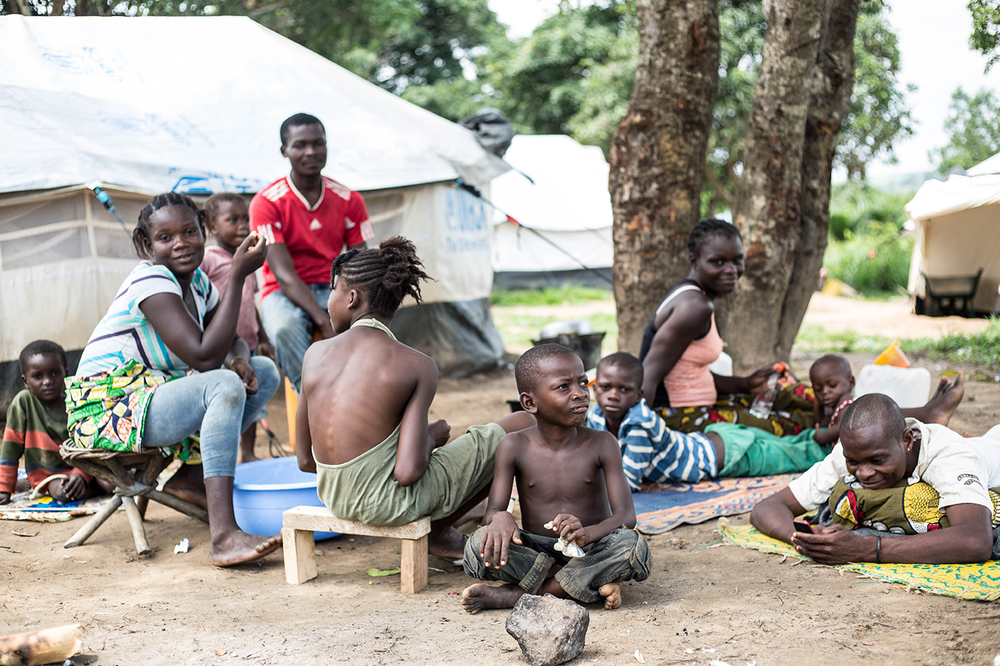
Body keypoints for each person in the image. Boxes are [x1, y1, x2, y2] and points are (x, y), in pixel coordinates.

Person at [65, 192, 281, 567]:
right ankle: (224, 536)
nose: (180, 243)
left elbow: (229, 340)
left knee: (264, 371)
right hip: (106, 409)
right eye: (166, 238)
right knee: (222, 383)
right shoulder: (151, 280)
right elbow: (203, 355)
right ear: (147, 246)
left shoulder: (197, 282)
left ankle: (190, 475)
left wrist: (241, 358)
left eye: (189, 232)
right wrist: (238, 274)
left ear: (203, 232)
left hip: (151, 398)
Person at [295, 236, 535, 559]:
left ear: (351, 298)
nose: (328, 301)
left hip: (333, 498)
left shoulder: (313, 355)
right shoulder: (416, 364)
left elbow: (305, 461)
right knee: (521, 422)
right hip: (392, 506)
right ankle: (440, 530)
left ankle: (446, 527)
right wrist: (432, 437)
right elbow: (408, 472)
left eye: (332, 290)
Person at [638, 219, 965, 436]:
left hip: (699, 405)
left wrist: (745, 383)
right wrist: (639, 436)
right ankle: (920, 415)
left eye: (736, 260)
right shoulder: (695, 306)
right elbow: (648, 377)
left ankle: (918, 413)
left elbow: (685, 373)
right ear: (694, 260)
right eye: (718, 262)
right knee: (799, 424)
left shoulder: (694, 298)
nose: (732, 270)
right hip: (680, 421)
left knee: (807, 397)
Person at [461, 344, 651, 613]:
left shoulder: (603, 443)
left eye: (583, 383)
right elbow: (492, 512)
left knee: (632, 546)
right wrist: (500, 517)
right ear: (530, 402)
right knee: (476, 545)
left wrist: (588, 533)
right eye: (564, 387)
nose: (580, 394)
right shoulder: (513, 446)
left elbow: (626, 516)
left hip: (590, 548)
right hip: (536, 552)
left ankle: (519, 596)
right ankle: (581, 584)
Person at [750, 393, 1000, 564]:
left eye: (877, 461)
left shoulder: (950, 457)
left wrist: (868, 548)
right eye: (853, 462)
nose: (864, 473)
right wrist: (804, 539)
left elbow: (975, 539)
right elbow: (768, 507)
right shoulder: (853, 450)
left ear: (907, 441)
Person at [249, 113, 374, 391]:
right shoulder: (266, 202)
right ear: (285, 151)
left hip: (334, 285)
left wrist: (351, 304)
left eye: (319, 143)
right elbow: (284, 275)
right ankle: (309, 395)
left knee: (374, 323)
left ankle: (366, 396)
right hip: (283, 290)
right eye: (300, 145)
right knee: (284, 327)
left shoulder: (348, 198)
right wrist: (325, 320)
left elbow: (359, 264)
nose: (311, 151)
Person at [587, 352, 830, 491]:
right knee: (790, 444)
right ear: (595, 388)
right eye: (606, 388)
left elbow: (629, 482)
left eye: (624, 389)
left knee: (797, 454)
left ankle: (834, 445)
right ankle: (822, 436)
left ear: (640, 395)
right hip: (712, 439)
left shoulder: (640, 425)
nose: (613, 395)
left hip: (725, 456)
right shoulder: (596, 416)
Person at [200, 193, 275, 463]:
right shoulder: (209, 259)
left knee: (252, 397)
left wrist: (263, 337)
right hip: (223, 347)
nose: (243, 225)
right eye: (233, 220)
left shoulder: (249, 260)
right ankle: (219, 455)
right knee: (229, 399)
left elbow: (249, 303)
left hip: (249, 343)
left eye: (246, 219)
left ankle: (248, 452)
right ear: (213, 226)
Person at [0, 341, 112, 505]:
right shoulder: (24, 402)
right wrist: (4, 488)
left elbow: (90, 445)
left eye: (55, 373)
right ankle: (89, 489)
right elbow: (10, 449)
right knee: (63, 493)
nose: (47, 381)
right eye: (38, 376)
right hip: (49, 474)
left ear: (66, 374)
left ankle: (93, 485)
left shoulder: (77, 404)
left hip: (85, 465)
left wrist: (81, 474)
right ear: (25, 381)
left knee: (110, 484)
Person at [809, 354, 855, 446]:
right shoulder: (833, 405)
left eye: (833, 385)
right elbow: (819, 423)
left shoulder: (847, 402)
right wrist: (818, 401)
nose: (825, 392)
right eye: (818, 389)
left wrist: (821, 438)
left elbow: (840, 427)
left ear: (851, 383)